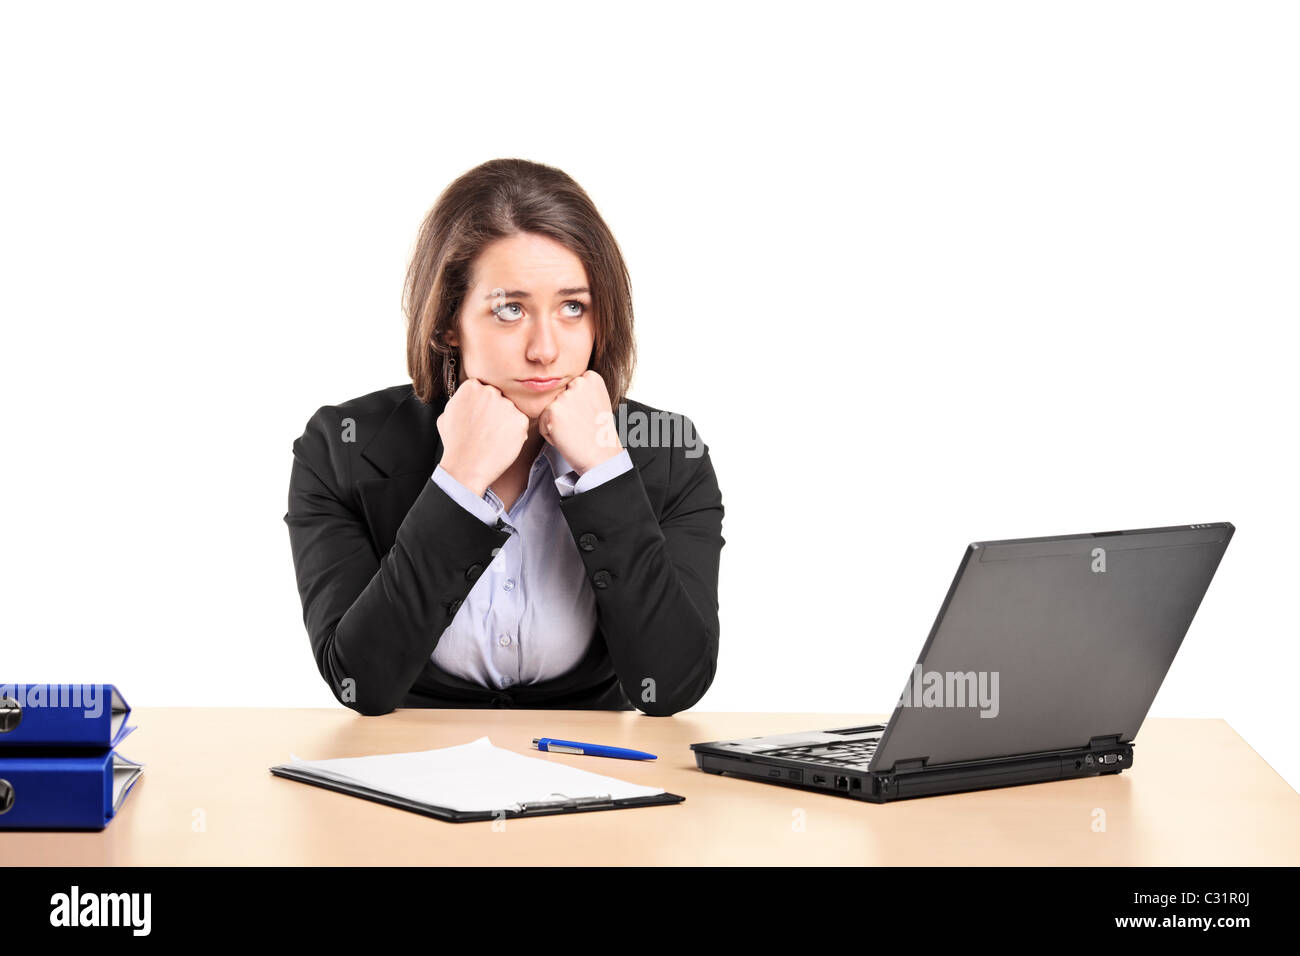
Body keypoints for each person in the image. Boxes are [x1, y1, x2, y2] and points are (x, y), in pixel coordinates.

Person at [283, 158, 725, 716]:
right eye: (510, 309)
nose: (544, 349)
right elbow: (361, 684)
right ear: (448, 320)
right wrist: (458, 482)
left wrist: (605, 473)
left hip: (592, 777)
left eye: (572, 307)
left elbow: (672, 686)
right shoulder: (339, 449)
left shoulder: (669, 453)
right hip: (405, 774)